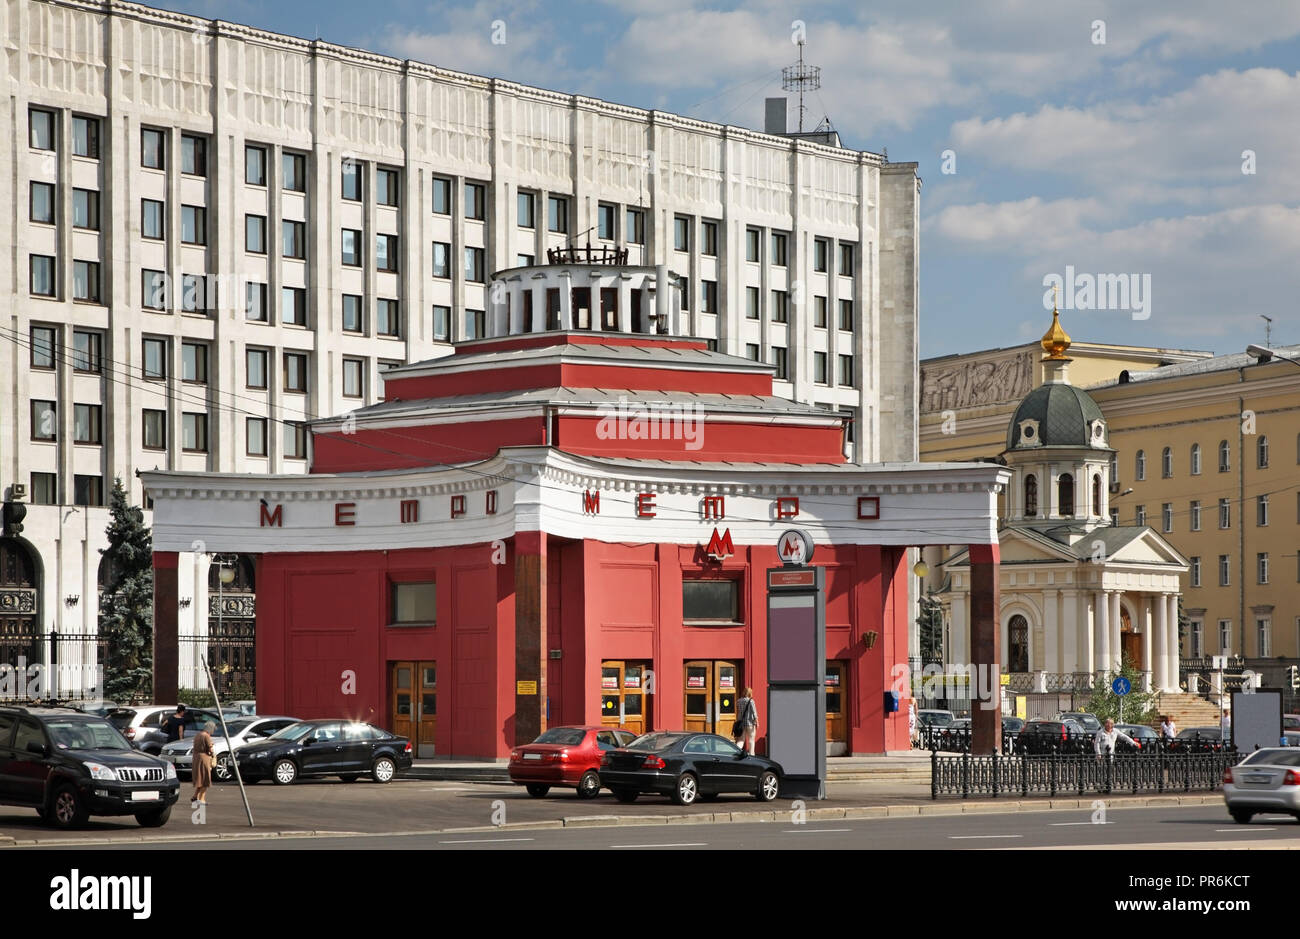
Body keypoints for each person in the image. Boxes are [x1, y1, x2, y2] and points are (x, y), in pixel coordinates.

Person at [191, 720, 216, 805]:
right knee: (205, 779)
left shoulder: (198, 735)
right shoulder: (206, 736)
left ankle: (195, 796)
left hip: (196, 757)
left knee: (199, 779)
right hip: (204, 758)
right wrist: (212, 754)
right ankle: (201, 799)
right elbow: (209, 748)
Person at [734, 687, 758, 756]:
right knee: (751, 740)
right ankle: (752, 754)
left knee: (741, 740)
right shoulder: (751, 701)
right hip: (750, 723)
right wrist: (757, 722)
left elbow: (738, 712)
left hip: (741, 724)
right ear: (750, 693)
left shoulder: (738, 701)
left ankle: (736, 752)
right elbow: (754, 713)